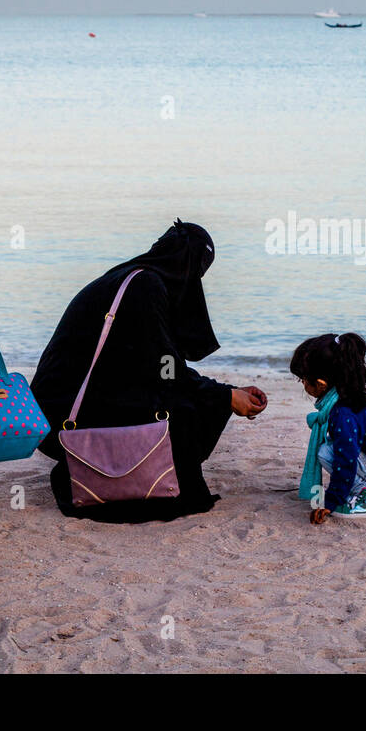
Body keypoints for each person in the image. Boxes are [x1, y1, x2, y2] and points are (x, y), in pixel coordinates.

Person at [31, 220, 267, 522]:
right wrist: (226, 396)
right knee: (188, 407)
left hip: (51, 410)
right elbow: (167, 372)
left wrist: (227, 392)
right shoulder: (146, 286)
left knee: (186, 395)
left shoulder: (128, 277)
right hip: (64, 420)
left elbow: (156, 366)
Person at [290, 332, 366, 523]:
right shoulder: (361, 399)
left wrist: (331, 501)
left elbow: (345, 460)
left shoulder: (343, 413)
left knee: (326, 452)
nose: (303, 383)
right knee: (335, 446)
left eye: (303, 379)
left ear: (321, 384)